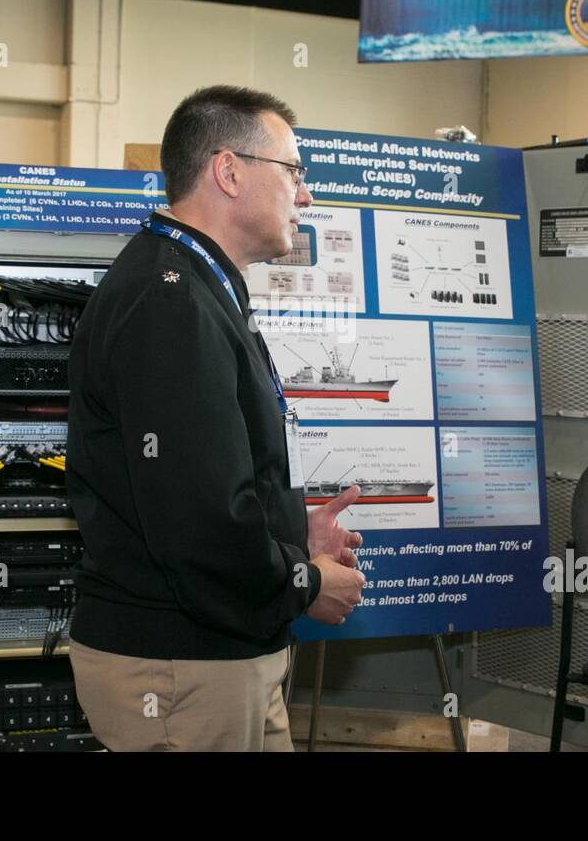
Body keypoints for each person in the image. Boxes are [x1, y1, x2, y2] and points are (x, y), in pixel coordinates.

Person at [65, 85, 365, 751]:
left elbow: (208, 479)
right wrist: (305, 581)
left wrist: (292, 531)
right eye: (294, 172)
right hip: (181, 667)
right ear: (229, 172)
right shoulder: (169, 301)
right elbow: (198, 521)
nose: (306, 195)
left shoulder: (192, 285)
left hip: (216, 653)